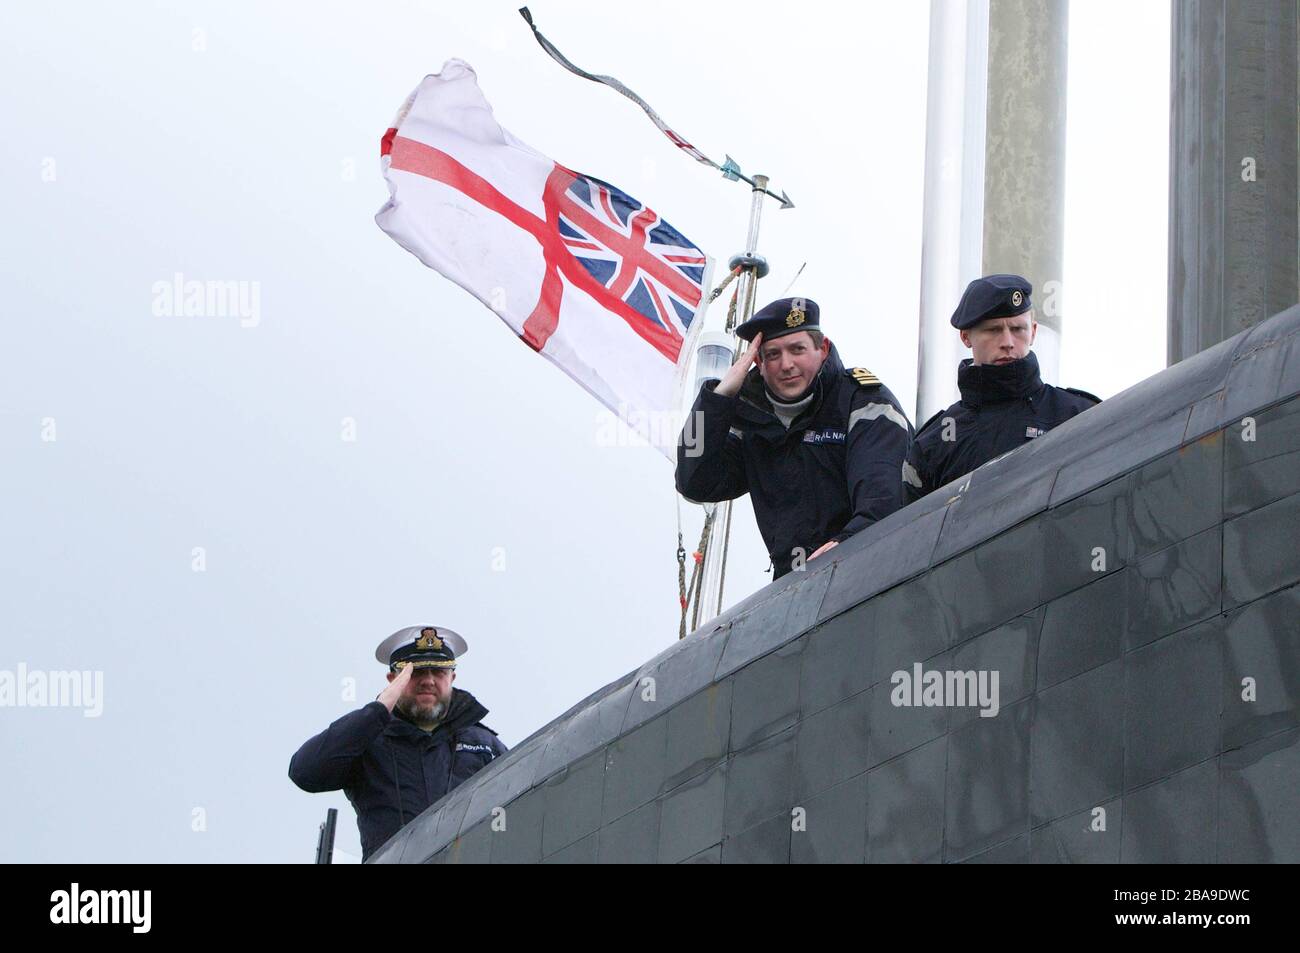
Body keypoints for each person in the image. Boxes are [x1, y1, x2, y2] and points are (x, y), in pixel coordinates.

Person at [676, 297, 912, 579]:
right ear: (758, 364)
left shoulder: (865, 403)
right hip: (793, 587)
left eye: (797, 349)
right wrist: (716, 399)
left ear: (822, 349)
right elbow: (693, 482)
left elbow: (883, 502)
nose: (786, 364)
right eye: (773, 354)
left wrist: (845, 548)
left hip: (868, 573)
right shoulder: (752, 418)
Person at [288, 625, 506, 861]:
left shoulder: (484, 744)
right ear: (393, 679)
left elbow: (516, 812)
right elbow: (305, 772)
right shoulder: (367, 740)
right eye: (417, 673)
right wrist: (379, 710)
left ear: (452, 677)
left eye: (438, 672)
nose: (429, 681)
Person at [903, 275, 1100, 504]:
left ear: (1033, 332)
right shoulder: (934, 442)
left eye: (1017, 329)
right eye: (993, 330)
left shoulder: (1079, 415)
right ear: (966, 337)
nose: (1007, 341)